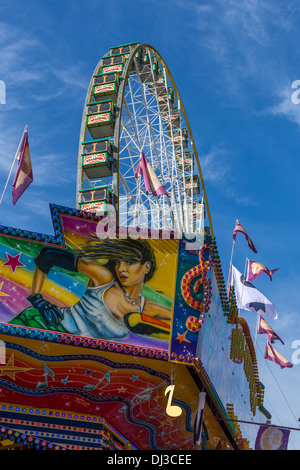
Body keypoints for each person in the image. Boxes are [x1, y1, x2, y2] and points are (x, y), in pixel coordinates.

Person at [22, 236, 171, 340]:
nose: (121, 269)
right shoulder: (104, 278)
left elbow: (182, 323)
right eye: (118, 262)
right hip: (41, 325)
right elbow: (48, 255)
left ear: (146, 267)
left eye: (130, 262)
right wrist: (37, 298)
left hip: (74, 352)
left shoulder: (145, 308)